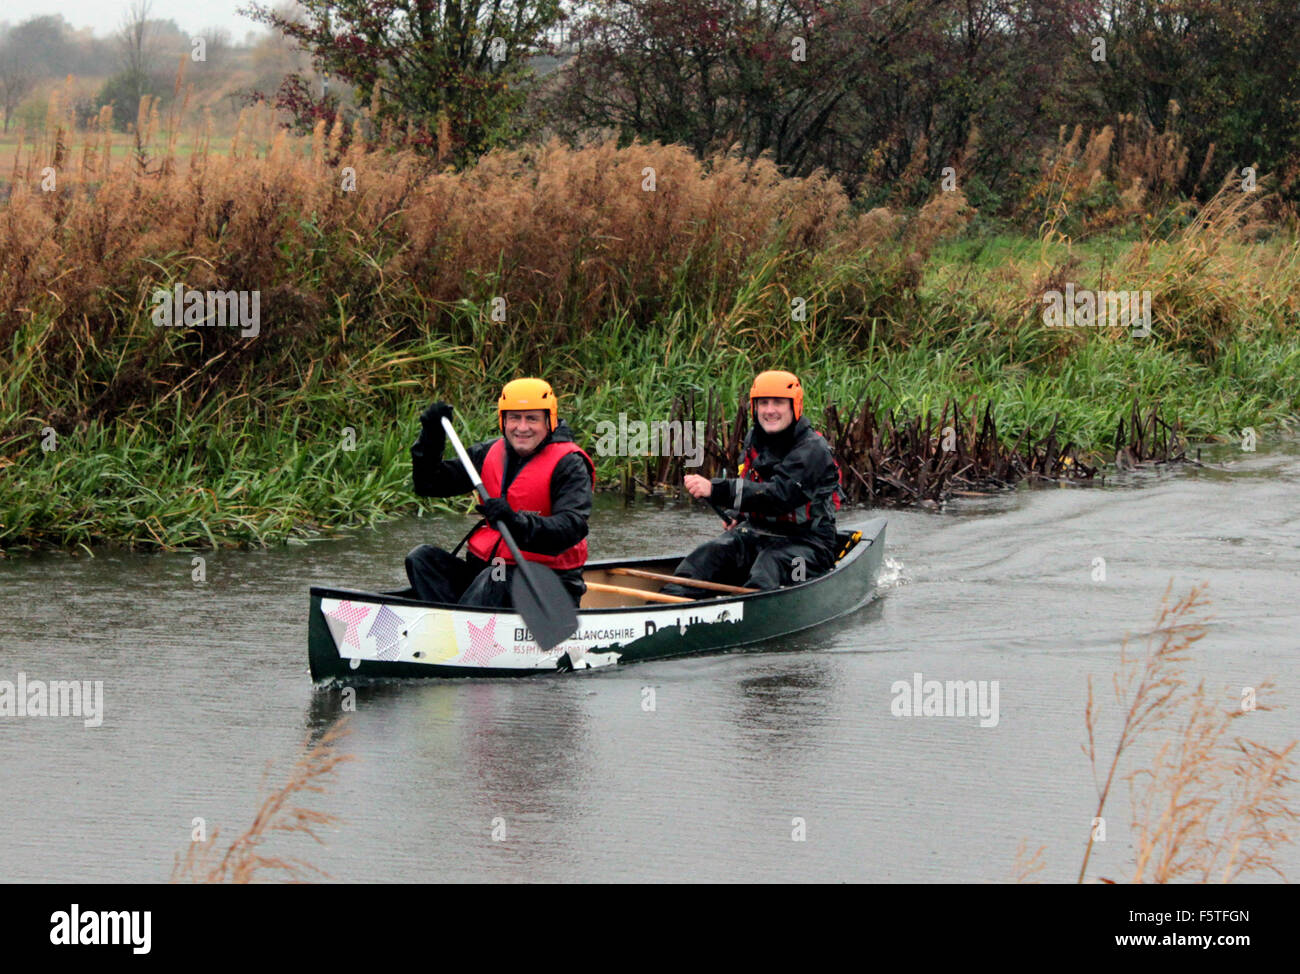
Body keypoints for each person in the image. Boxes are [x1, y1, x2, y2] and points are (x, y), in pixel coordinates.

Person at [405, 378, 595, 608]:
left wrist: (515, 521)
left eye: (532, 418)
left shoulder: (570, 465)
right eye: (514, 418)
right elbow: (429, 484)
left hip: (545, 586)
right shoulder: (489, 453)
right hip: (488, 576)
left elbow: (571, 527)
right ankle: (446, 625)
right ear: (503, 420)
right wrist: (431, 436)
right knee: (422, 559)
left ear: (549, 420)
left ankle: (460, 633)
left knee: (498, 576)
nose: (522, 428)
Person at [661, 370, 840, 597]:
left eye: (778, 403)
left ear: (794, 406)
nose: (770, 410)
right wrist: (739, 514)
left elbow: (779, 496)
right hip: (758, 533)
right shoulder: (753, 440)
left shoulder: (812, 449)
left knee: (769, 567)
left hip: (809, 543)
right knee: (708, 555)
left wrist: (716, 489)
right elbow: (750, 484)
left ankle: (751, 612)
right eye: (763, 403)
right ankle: (667, 603)